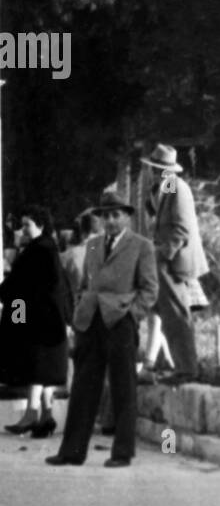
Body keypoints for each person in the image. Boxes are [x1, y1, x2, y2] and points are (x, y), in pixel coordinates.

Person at [47, 190, 158, 468]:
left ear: (127, 218)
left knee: (123, 387)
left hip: (120, 322)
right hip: (90, 322)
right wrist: (79, 314)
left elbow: (150, 289)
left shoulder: (141, 246)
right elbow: (85, 284)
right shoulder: (94, 245)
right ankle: (71, 451)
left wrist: (132, 316)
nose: (110, 220)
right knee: (83, 386)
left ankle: (122, 453)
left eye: (116, 215)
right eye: (106, 215)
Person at [0, 204, 70, 437]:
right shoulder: (48, 248)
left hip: (38, 321)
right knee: (43, 370)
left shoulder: (37, 251)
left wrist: (5, 293)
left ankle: (32, 415)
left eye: (27, 225)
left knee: (35, 368)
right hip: (47, 320)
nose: (22, 230)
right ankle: (46, 416)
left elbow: (17, 285)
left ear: (40, 226)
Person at [141, 144, 207, 384]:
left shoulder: (178, 189)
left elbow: (180, 228)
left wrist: (163, 255)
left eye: (157, 169)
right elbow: (162, 220)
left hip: (174, 263)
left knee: (177, 315)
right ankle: (178, 366)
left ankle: (186, 369)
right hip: (167, 261)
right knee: (168, 315)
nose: (155, 173)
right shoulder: (167, 187)